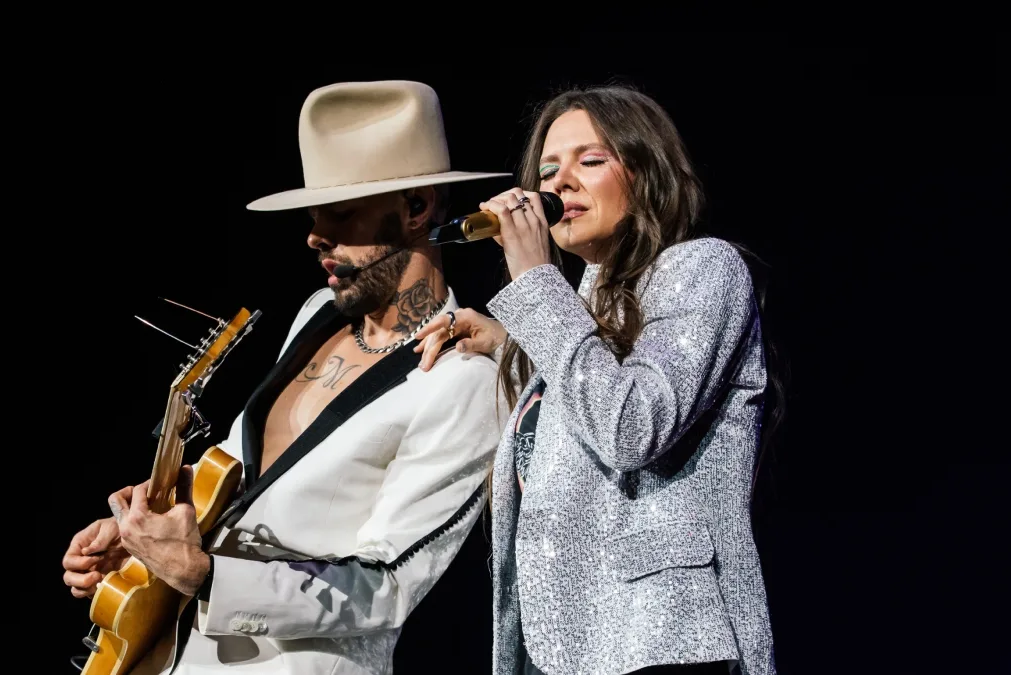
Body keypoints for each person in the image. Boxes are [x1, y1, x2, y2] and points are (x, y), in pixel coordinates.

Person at [61, 80, 511, 674]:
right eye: (314, 214)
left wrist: (202, 574)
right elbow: (241, 473)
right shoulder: (319, 313)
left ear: (416, 208)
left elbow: (387, 587)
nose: (315, 235)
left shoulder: (464, 382)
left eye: (341, 213)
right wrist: (146, 527)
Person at [414, 84, 780, 674]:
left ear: (646, 173)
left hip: (662, 640)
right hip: (560, 647)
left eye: (590, 160)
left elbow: (631, 425)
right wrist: (510, 343)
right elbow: (586, 396)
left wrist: (533, 284)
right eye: (547, 170)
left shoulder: (704, 268)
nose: (559, 183)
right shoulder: (575, 312)